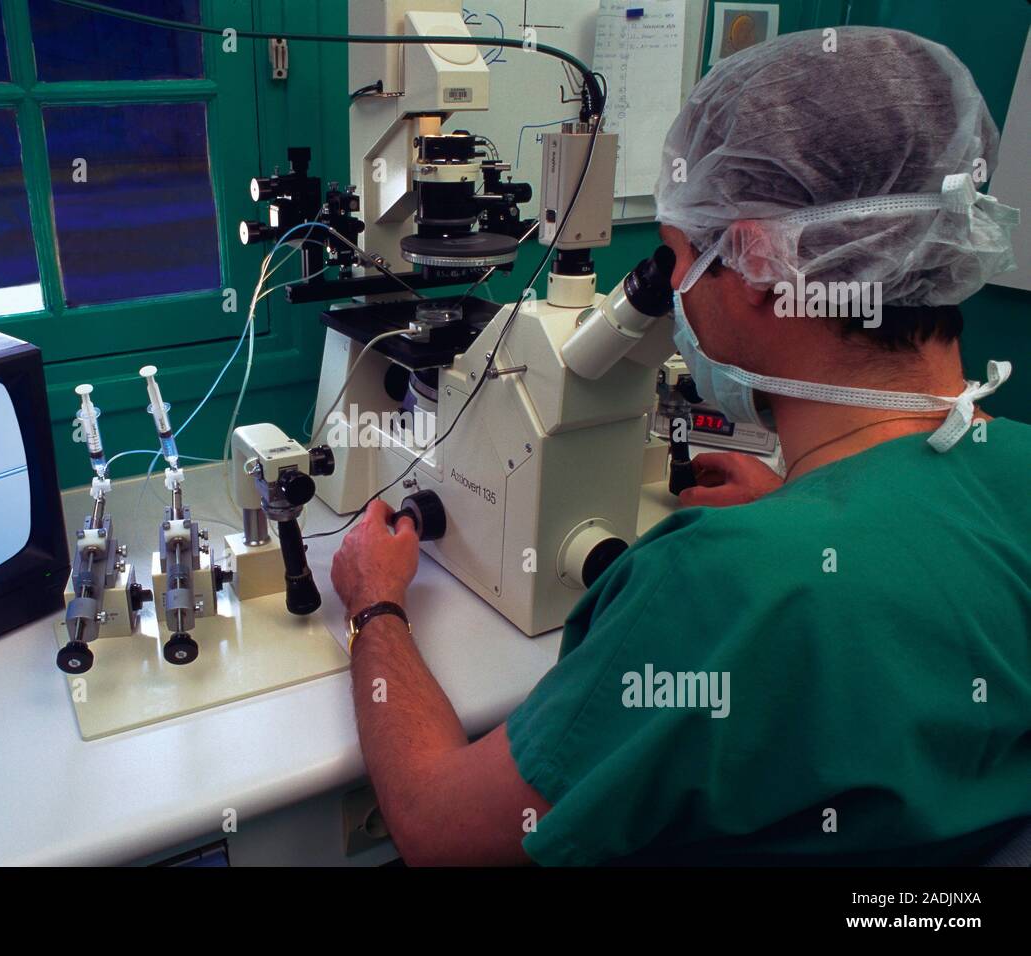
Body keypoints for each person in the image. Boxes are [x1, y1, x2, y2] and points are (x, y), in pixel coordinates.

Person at [328, 27, 1031, 866]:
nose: (675, 297)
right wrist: (807, 515)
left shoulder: (716, 583)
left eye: (674, 260)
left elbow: (441, 833)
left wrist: (376, 608)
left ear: (762, 266)